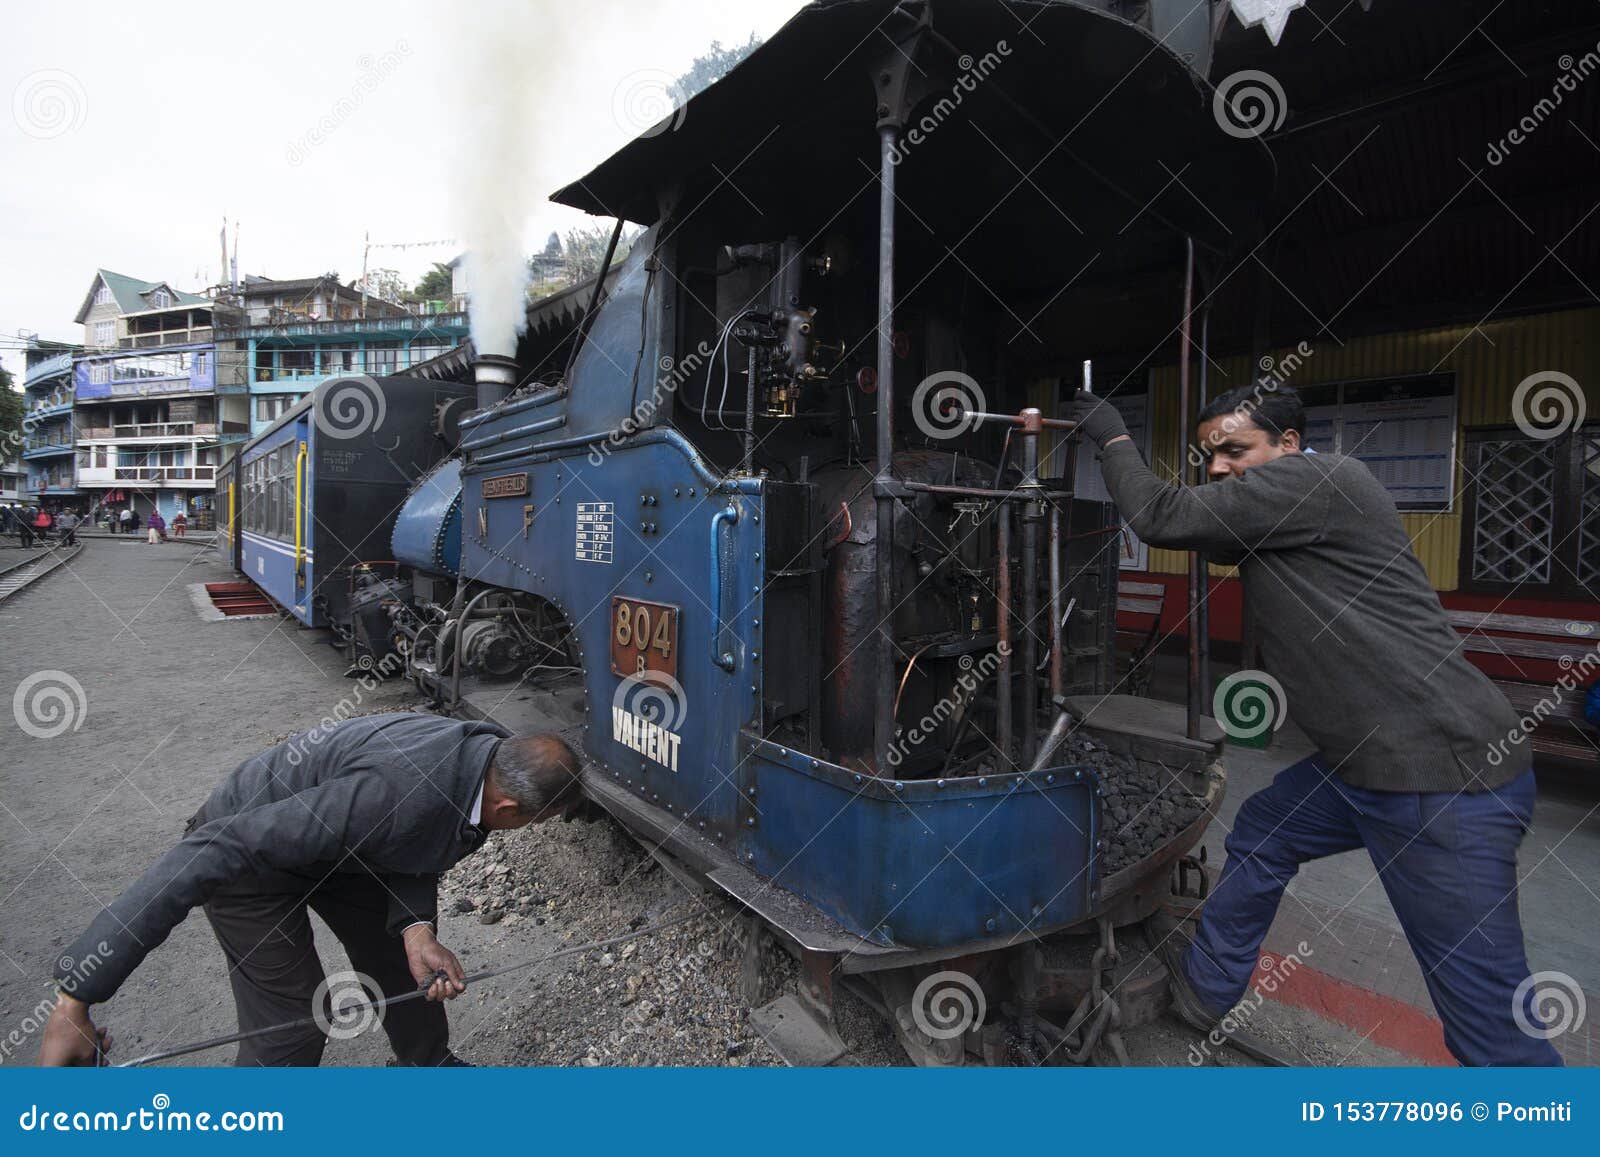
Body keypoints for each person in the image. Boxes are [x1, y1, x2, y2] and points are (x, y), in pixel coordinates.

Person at [1069, 383, 1562, 1067]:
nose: (1217, 467)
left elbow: (1159, 514)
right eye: (1210, 455)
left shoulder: (1323, 478)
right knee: (1268, 826)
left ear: (1290, 445)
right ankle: (1208, 988)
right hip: (1365, 764)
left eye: (1234, 450)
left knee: (1490, 1029)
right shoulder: (1285, 513)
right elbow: (1199, 530)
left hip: (1441, 777)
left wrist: (1112, 434)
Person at [38, 713, 584, 1067]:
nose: (527, 830)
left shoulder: (481, 761)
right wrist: (76, 996)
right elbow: (208, 853)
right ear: (511, 809)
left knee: (404, 963)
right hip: (248, 851)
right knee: (293, 1025)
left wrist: (417, 929)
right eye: (534, 823)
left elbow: (421, 838)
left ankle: (428, 1068)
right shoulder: (394, 793)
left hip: (339, 849)